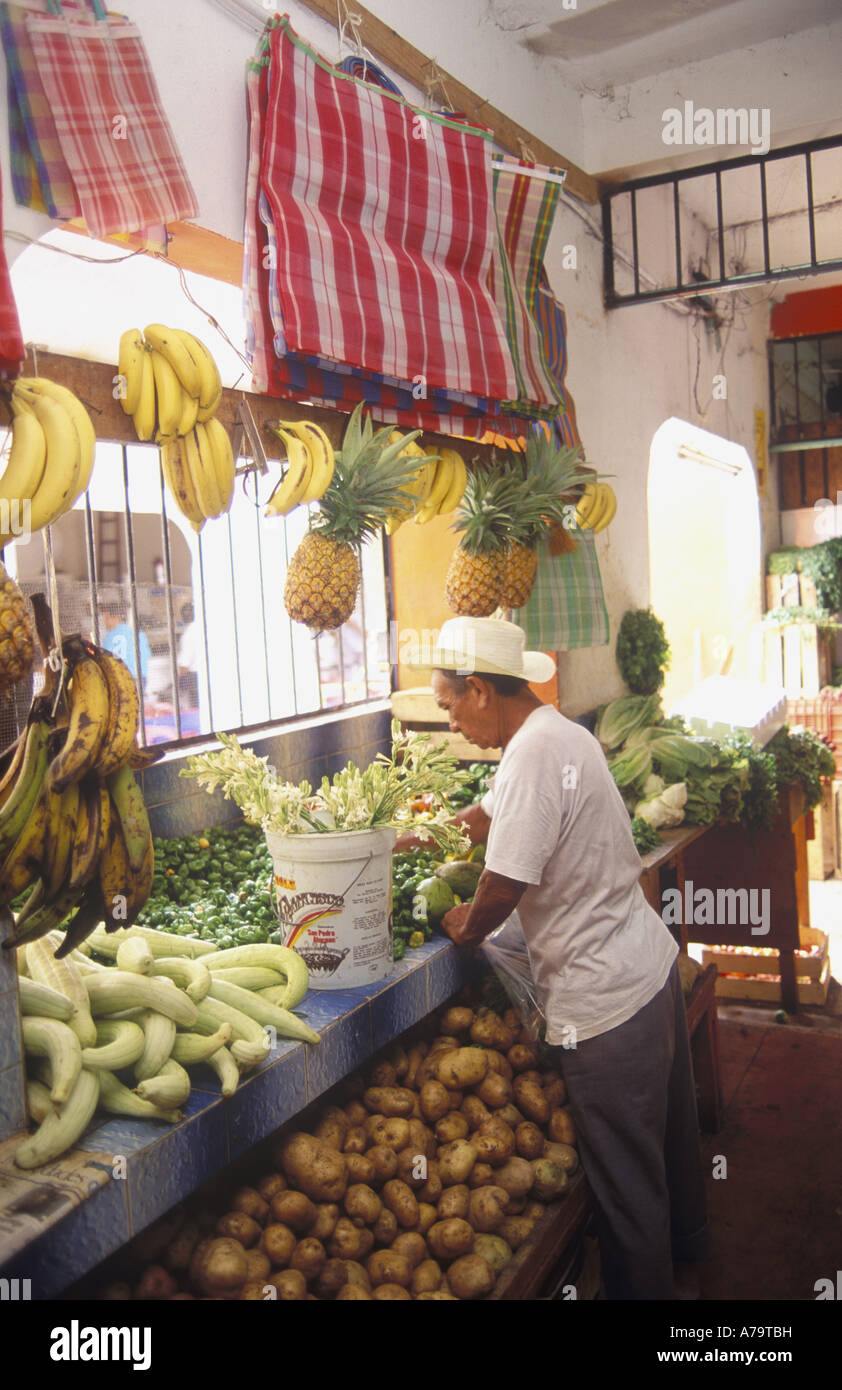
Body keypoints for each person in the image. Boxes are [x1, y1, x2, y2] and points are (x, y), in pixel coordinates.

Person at [399, 616, 709, 1301]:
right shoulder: (553, 735)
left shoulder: (534, 755)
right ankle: (691, 1259)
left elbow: (503, 884)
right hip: (647, 974)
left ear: (480, 691)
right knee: (671, 1158)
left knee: (627, 1195)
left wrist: (466, 925)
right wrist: (408, 837)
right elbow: (486, 818)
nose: (451, 724)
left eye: (450, 705)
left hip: (605, 1011)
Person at [99, 602, 150, 693]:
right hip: (141, 678)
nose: (104, 622)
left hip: (121, 679)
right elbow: (147, 656)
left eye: (106, 618)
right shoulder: (139, 633)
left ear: (117, 618)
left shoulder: (110, 636)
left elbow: (104, 660)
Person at [177, 602, 199, 708]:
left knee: (195, 708)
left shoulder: (189, 634)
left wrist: (178, 680)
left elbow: (185, 663)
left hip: (194, 677)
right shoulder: (203, 627)